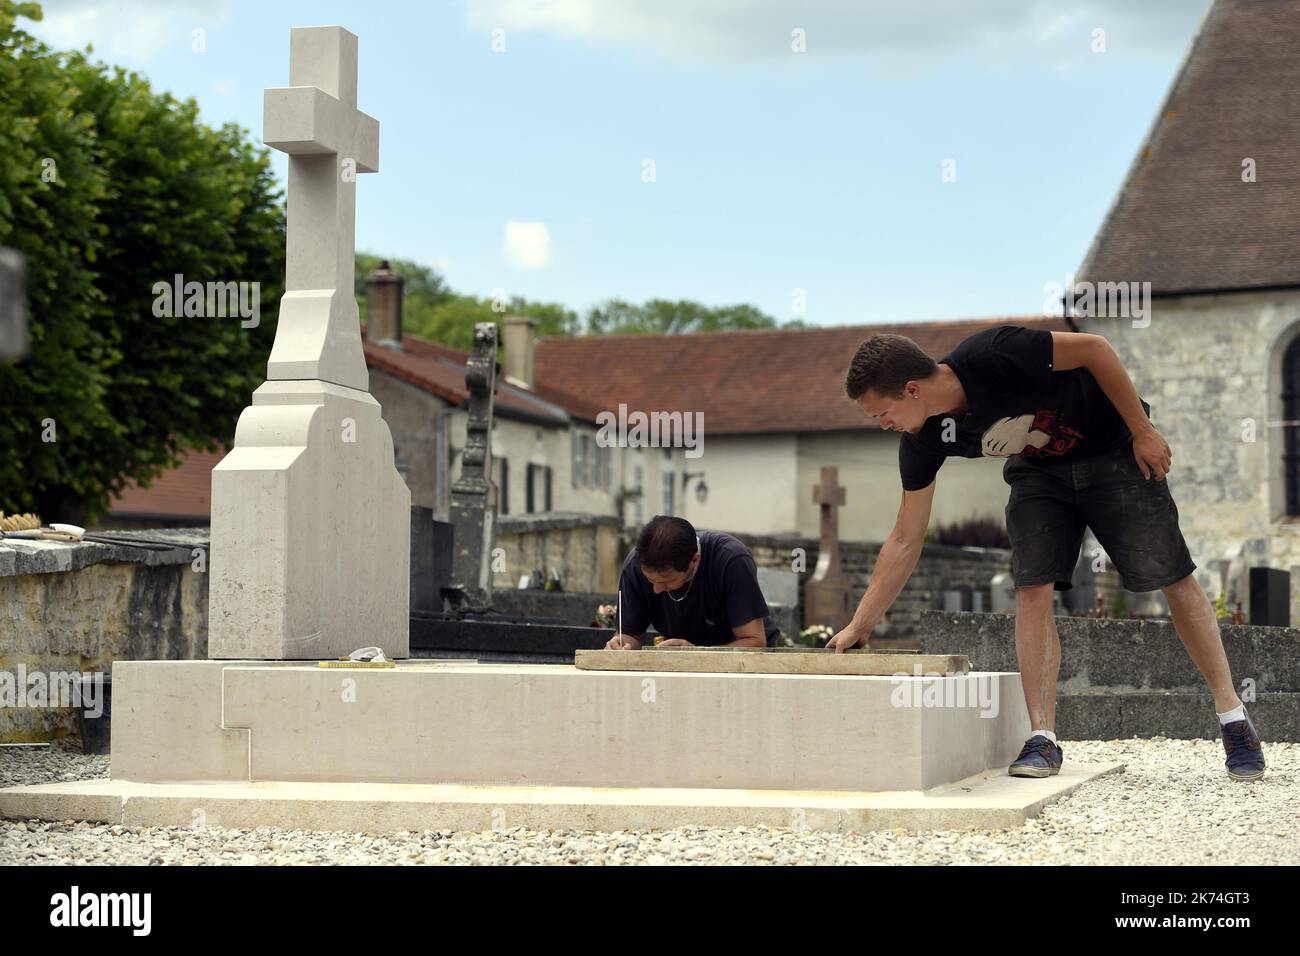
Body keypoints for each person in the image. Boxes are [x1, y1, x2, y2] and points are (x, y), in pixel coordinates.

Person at [834, 325, 1265, 781]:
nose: (883, 425)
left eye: (882, 413)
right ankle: (1043, 737)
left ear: (912, 388)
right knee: (1032, 587)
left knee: (1171, 576)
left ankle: (1233, 717)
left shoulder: (995, 354)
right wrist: (860, 624)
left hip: (1114, 451)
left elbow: (1095, 349)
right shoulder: (923, 439)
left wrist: (1143, 430)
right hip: (1039, 473)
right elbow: (905, 538)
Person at [606, 515, 780, 649]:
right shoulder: (634, 566)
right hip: (682, 661)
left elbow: (754, 642)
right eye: (650, 579)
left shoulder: (730, 560)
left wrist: (698, 654)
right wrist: (620, 645)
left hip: (744, 664)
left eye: (667, 581)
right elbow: (631, 636)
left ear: (694, 560)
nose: (657, 589)